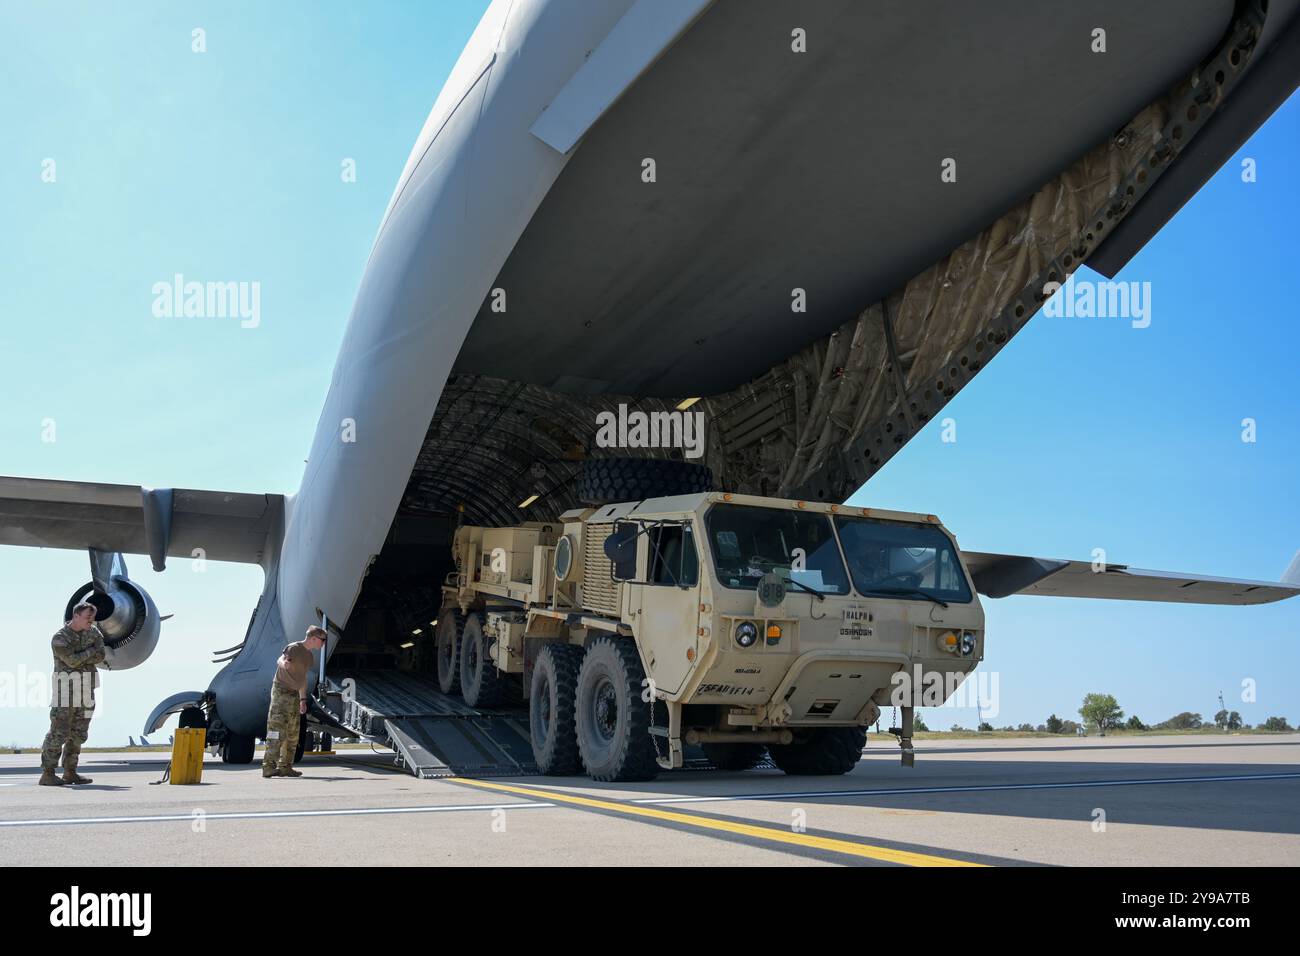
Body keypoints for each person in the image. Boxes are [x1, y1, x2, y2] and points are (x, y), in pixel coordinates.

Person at [40, 602, 106, 786]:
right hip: (66, 691)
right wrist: (90, 651)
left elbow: (101, 655)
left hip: (87, 689)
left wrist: (86, 654)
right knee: (58, 732)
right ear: (76, 616)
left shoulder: (94, 633)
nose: (91, 622)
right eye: (87, 618)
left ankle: (70, 772)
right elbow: (71, 660)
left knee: (79, 733)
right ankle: (48, 773)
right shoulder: (60, 638)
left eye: (92, 619)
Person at [262, 625, 327, 778]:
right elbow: (281, 658)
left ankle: (285, 766)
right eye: (322, 640)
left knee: (293, 732)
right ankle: (268, 767)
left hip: (294, 694)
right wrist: (283, 663)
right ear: (313, 638)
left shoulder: (309, 657)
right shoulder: (294, 648)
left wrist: (303, 699)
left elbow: (302, 678)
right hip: (281, 690)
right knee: (277, 728)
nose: (323, 643)